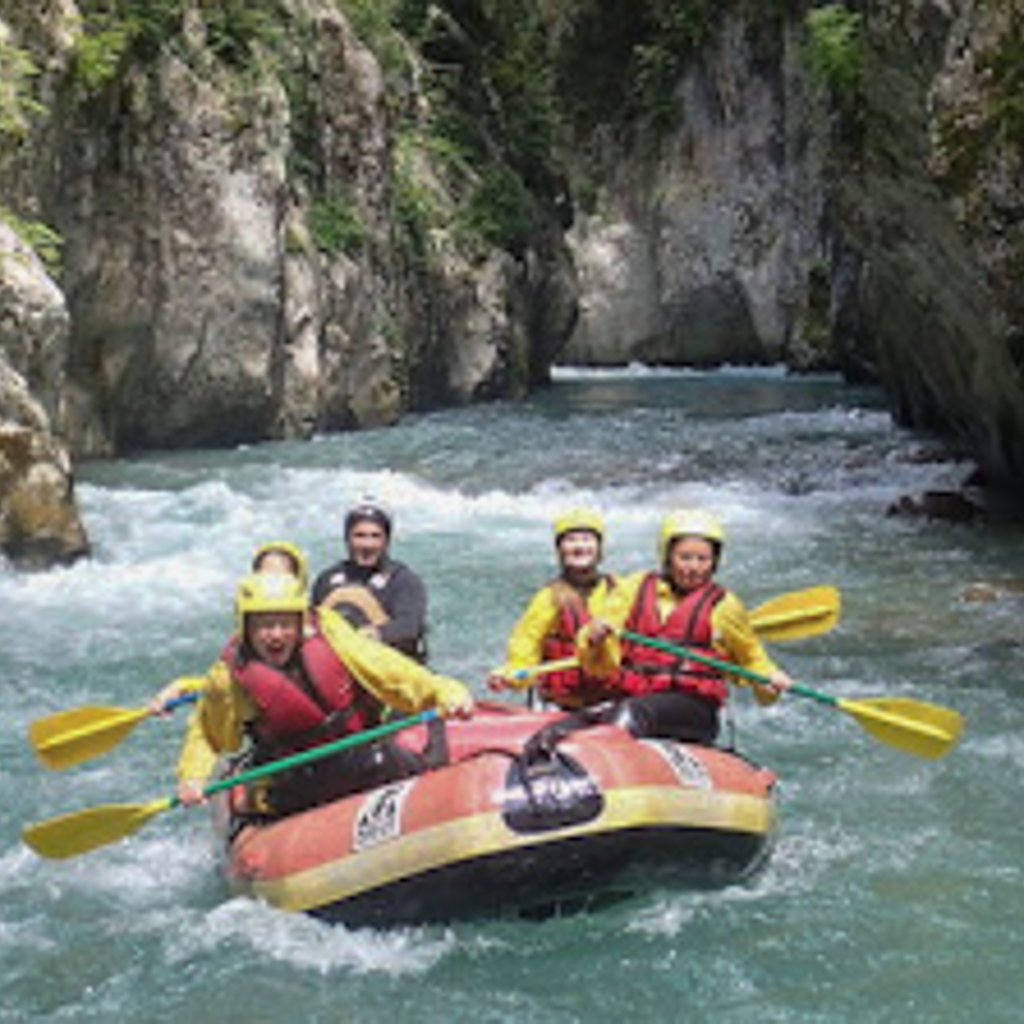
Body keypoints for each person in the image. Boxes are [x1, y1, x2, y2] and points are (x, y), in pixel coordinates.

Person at [175, 571, 473, 815]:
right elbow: (207, 732)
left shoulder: (331, 633)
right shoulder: (229, 677)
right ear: (246, 628)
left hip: (359, 751)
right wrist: (192, 777)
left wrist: (443, 691)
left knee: (382, 759)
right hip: (293, 776)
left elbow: (389, 670)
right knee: (368, 762)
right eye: (264, 625)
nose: (276, 635)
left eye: (284, 623)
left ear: (300, 621)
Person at [577, 509, 791, 745]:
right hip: (634, 695)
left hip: (694, 709)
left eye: (703, 560)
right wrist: (594, 638)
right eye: (685, 558)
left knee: (630, 715)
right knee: (569, 726)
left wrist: (770, 680)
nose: (694, 568)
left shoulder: (725, 606)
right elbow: (596, 651)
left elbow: (752, 659)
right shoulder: (633, 588)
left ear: (714, 562)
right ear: (667, 557)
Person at [148, 540, 311, 711]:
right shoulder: (248, 646)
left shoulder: (329, 632)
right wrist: (183, 687)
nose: (272, 589)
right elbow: (222, 689)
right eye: (263, 579)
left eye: (282, 580)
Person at [488, 508, 618, 709]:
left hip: (611, 697)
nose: (579, 547)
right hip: (560, 702)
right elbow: (525, 645)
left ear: (599, 548)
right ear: (559, 550)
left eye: (587, 539)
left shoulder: (620, 591)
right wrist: (511, 675)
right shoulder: (548, 598)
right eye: (571, 540)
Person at [310, 498, 429, 661]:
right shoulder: (327, 580)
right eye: (359, 536)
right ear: (347, 539)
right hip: (339, 665)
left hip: (390, 668)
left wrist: (370, 635)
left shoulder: (403, 580)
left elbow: (409, 626)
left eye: (375, 536)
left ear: (386, 540)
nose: (367, 544)